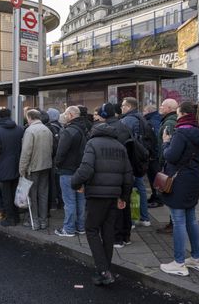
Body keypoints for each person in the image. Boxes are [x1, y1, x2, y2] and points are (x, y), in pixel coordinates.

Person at [71, 122, 133, 286]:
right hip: (113, 196)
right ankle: (106, 268)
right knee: (108, 232)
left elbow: (86, 169)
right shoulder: (120, 146)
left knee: (91, 230)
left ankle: (104, 271)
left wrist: (75, 183)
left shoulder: (92, 143)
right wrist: (124, 197)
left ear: (94, 132)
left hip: (97, 196)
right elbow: (128, 175)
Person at [159, 101, 199, 276]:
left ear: (183, 114)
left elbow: (171, 156)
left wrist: (165, 143)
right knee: (191, 219)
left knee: (179, 221)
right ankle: (197, 259)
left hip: (178, 180)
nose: (177, 117)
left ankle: (179, 262)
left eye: (178, 114)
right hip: (193, 179)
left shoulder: (181, 132)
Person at [97, 103, 134, 248]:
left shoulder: (108, 129)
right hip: (127, 171)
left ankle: (117, 238)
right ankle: (126, 236)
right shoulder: (124, 125)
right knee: (125, 203)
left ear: (104, 115)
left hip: (113, 173)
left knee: (115, 207)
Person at [54, 106, 87, 237]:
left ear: (71, 115)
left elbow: (61, 152)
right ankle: (80, 226)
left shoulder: (69, 131)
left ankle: (68, 229)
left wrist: (57, 164)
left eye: (66, 114)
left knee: (69, 201)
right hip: (81, 170)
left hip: (68, 170)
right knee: (80, 200)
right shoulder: (84, 128)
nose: (64, 116)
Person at [0, 108, 24, 227]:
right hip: (17, 165)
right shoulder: (20, 129)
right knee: (15, 192)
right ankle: (16, 216)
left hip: (3, 166)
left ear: (0, 117)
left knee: (6, 194)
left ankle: (10, 219)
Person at [19, 109, 53, 230]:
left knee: (32, 195)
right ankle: (43, 221)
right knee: (43, 193)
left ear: (29, 118)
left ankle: (34, 222)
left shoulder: (30, 131)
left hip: (33, 168)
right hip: (46, 166)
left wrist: (22, 169)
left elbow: (26, 152)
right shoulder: (47, 130)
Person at [120, 97, 151, 227]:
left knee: (129, 189)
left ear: (128, 107)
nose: (121, 108)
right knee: (141, 188)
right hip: (140, 158)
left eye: (123, 105)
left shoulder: (127, 120)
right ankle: (145, 218)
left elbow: (123, 140)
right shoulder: (141, 118)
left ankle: (132, 220)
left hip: (130, 159)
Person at [156, 98, 178, 234]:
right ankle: (174, 222)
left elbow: (167, 144)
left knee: (170, 193)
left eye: (162, 106)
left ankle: (174, 223)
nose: (160, 107)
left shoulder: (169, 123)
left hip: (167, 163)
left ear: (169, 108)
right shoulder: (170, 120)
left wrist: (162, 160)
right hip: (169, 162)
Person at [144, 104, 162, 208]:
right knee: (153, 178)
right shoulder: (153, 119)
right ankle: (155, 196)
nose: (143, 112)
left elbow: (155, 139)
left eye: (144, 110)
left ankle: (158, 199)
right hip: (154, 155)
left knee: (156, 177)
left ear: (149, 111)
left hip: (154, 157)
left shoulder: (153, 121)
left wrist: (154, 154)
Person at [46, 108, 63, 210]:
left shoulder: (50, 128)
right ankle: (61, 202)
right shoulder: (61, 126)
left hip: (53, 160)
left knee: (52, 183)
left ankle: (53, 203)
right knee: (59, 183)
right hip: (60, 160)